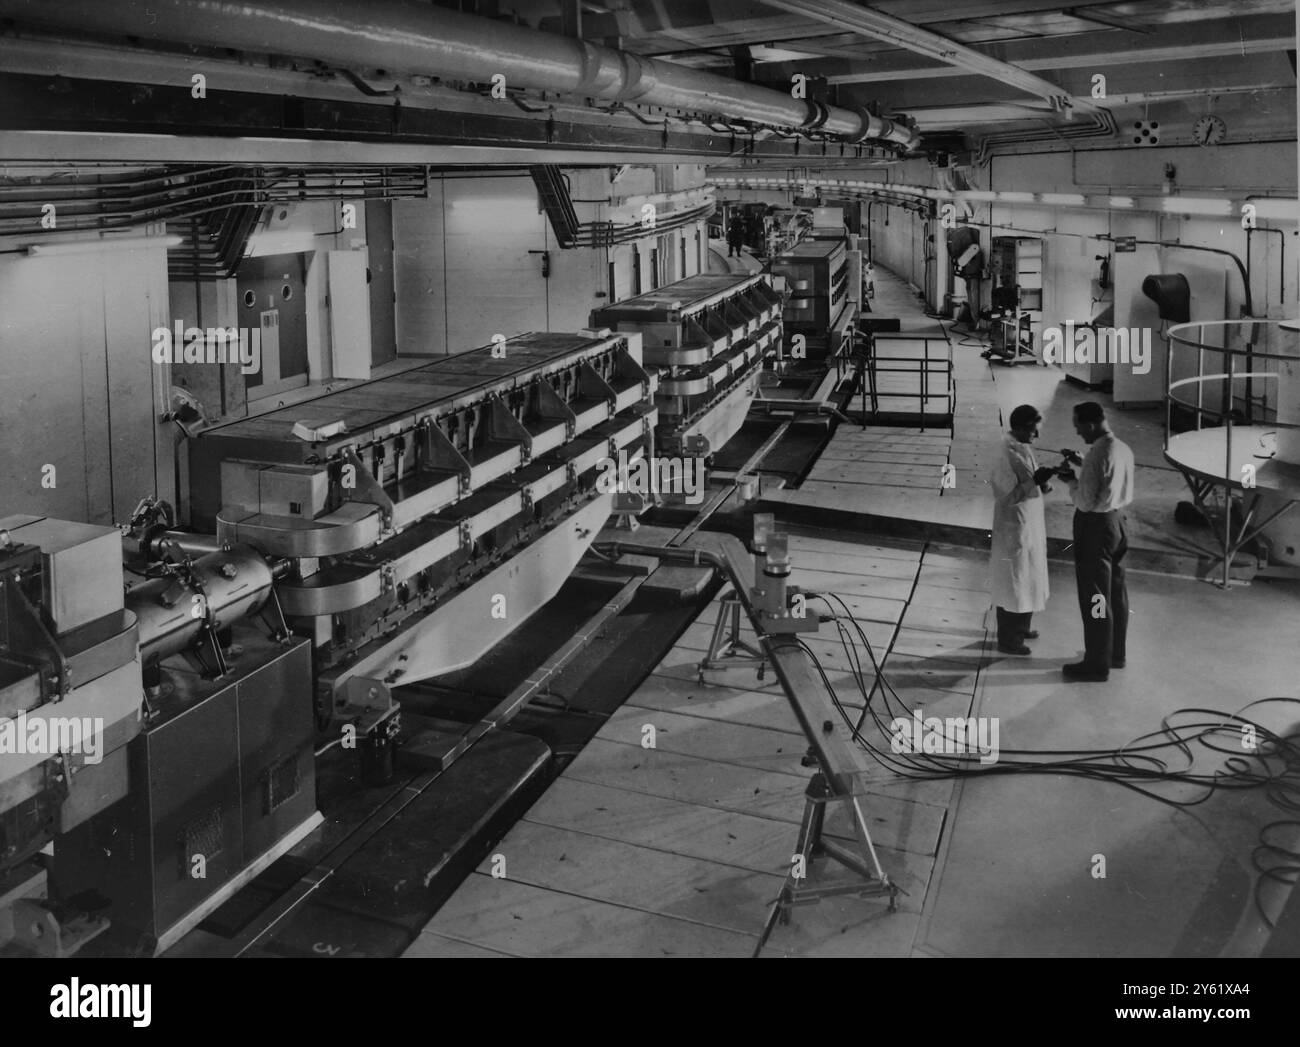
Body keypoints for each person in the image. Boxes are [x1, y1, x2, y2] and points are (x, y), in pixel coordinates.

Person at [1057, 401, 1135, 681]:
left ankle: (1095, 664)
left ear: (1091, 424)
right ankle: (1115, 654)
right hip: (1118, 523)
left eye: (1079, 426)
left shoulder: (1097, 455)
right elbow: (1108, 479)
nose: (1078, 433)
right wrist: (1083, 465)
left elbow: (1086, 501)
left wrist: (1071, 481)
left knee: (1095, 597)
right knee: (1115, 592)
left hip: (1095, 528)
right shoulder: (1121, 448)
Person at [989, 404, 1057, 654]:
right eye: (1033, 430)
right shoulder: (1003, 452)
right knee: (1013, 581)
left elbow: (1029, 479)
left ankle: (1022, 626)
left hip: (1029, 524)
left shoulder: (1022, 446)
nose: (1036, 436)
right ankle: (1009, 639)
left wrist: (1044, 481)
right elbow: (1005, 496)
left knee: (1029, 576)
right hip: (1013, 526)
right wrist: (1034, 482)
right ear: (1018, 427)